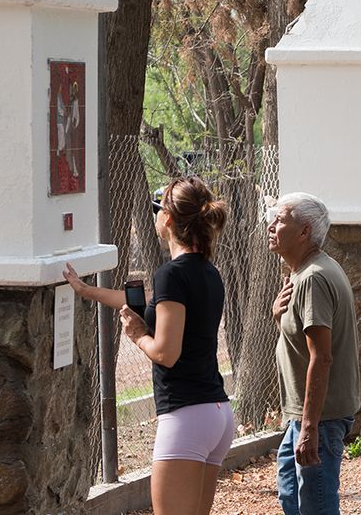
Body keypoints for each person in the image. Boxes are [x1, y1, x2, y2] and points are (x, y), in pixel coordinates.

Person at [63, 176, 233, 514]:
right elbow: (156, 305)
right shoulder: (207, 272)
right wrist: (88, 291)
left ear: (167, 218)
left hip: (185, 416)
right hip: (217, 413)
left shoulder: (171, 274)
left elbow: (166, 353)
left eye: (158, 211)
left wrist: (139, 335)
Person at [268, 193, 360, 515]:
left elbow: (321, 356)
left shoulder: (314, 278)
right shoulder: (305, 272)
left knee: (315, 506)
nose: (271, 226)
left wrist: (309, 427)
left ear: (304, 232)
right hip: (305, 415)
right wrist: (279, 315)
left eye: (279, 220)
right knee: (292, 495)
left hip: (319, 417)